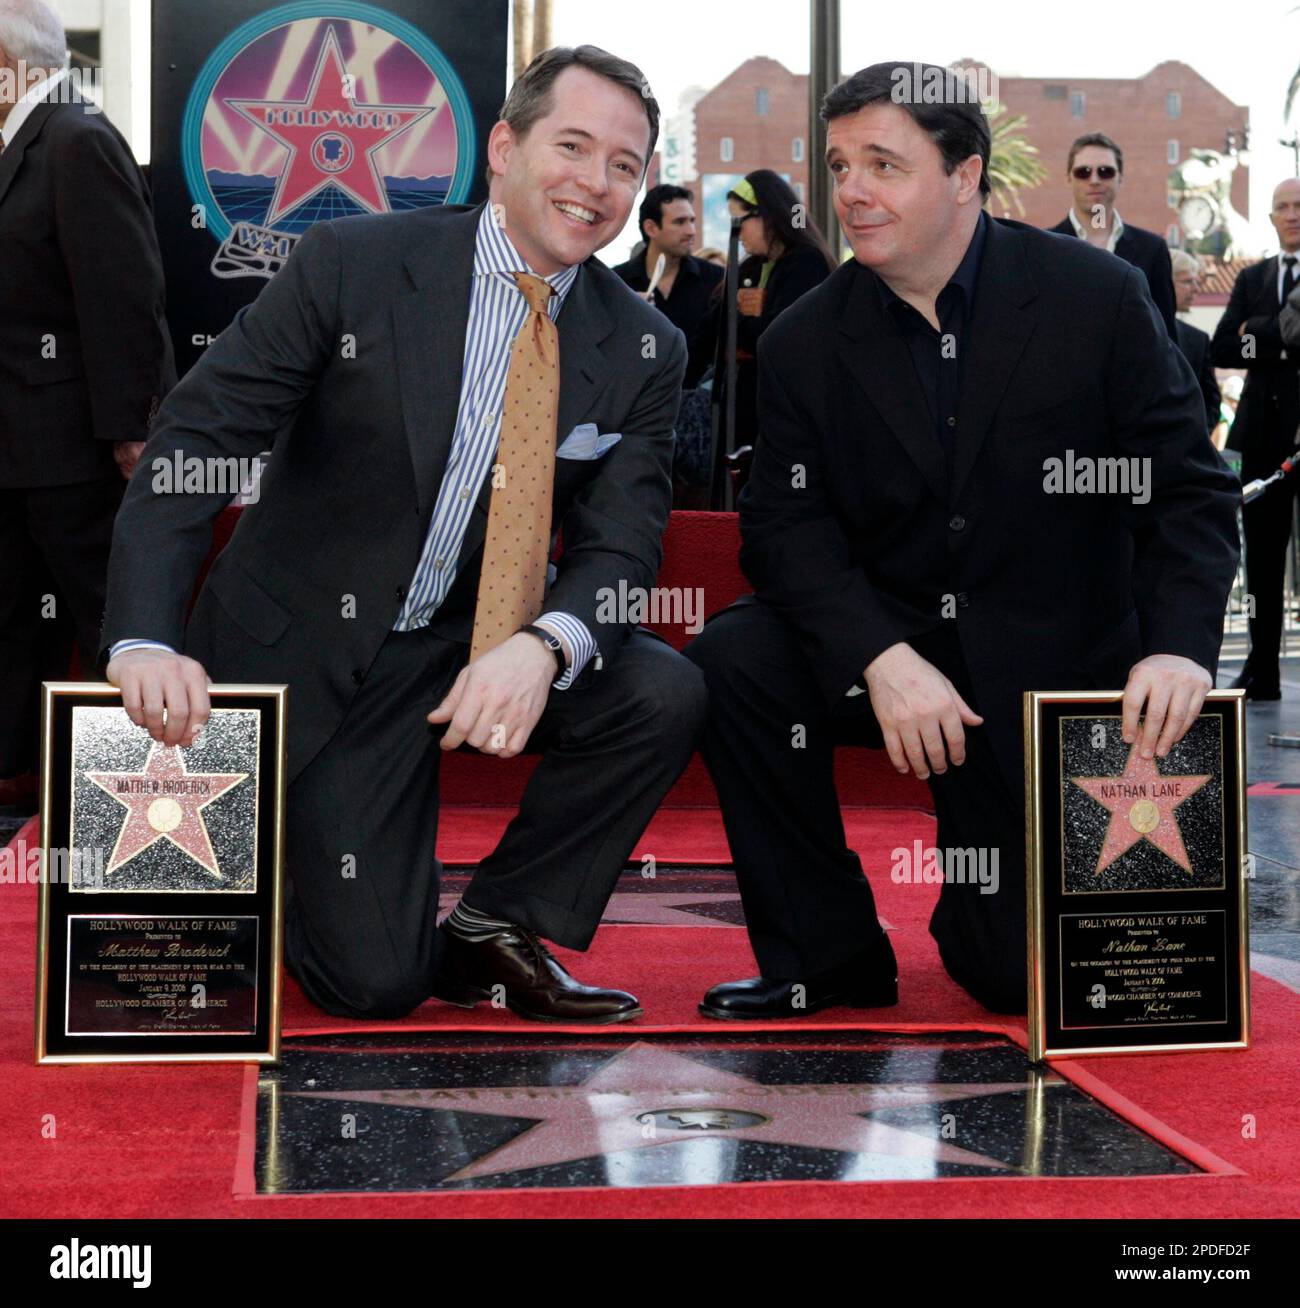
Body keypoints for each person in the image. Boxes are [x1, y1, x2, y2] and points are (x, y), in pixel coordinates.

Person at [99, 45, 706, 1023]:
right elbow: (195, 446)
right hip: (311, 640)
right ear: (504, 148)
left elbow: (624, 544)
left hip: (472, 647)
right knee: (372, 986)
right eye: (574, 146)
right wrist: (140, 641)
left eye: (625, 165)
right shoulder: (355, 265)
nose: (597, 183)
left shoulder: (645, 345)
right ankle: (291, 845)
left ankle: (490, 927)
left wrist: (543, 647)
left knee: (660, 690)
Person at [685, 61, 1239, 1017]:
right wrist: (879, 654)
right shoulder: (805, 340)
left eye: (884, 165)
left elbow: (1189, 491)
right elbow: (783, 525)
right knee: (738, 657)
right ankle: (827, 954)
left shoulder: (1094, 299)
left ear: (966, 175)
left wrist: (1179, 649)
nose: (851, 190)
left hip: (1054, 679)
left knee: (1016, 978)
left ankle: (981, 910)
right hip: (897, 658)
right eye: (839, 164)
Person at [0, 0, 174, 792]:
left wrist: (137, 432)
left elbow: (124, 297)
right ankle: (25, 785)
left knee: (103, 616)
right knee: (16, 624)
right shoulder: (25, 139)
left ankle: (137, 796)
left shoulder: (77, 137)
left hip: (71, 448)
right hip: (18, 447)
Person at [1210, 177, 1300, 701]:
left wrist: (1257, 334)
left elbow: (1246, 340)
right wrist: (1280, 337)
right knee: (1262, 564)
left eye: (1298, 206)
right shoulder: (1253, 276)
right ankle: (1261, 668)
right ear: (1270, 218)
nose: (1292, 215)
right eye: (1282, 207)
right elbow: (1225, 345)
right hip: (1261, 442)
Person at [1048, 132, 1177, 338]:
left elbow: (1166, 337)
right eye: (1084, 172)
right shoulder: (1044, 248)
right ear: (1068, 178)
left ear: (1120, 179)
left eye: (1105, 172)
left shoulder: (1152, 250)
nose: (1095, 180)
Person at [612, 183, 722, 388]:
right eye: (680, 222)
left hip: (696, 403)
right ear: (651, 228)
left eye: (692, 221)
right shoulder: (616, 283)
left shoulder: (716, 279)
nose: (690, 231)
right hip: (635, 403)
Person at [1171, 249, 1220, 436]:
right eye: (1187, 281)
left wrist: (1196, 438)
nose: (1196, 289)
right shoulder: (1133, 332)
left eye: (1196, 282)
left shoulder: (1198, 339)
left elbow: (1211, 400)